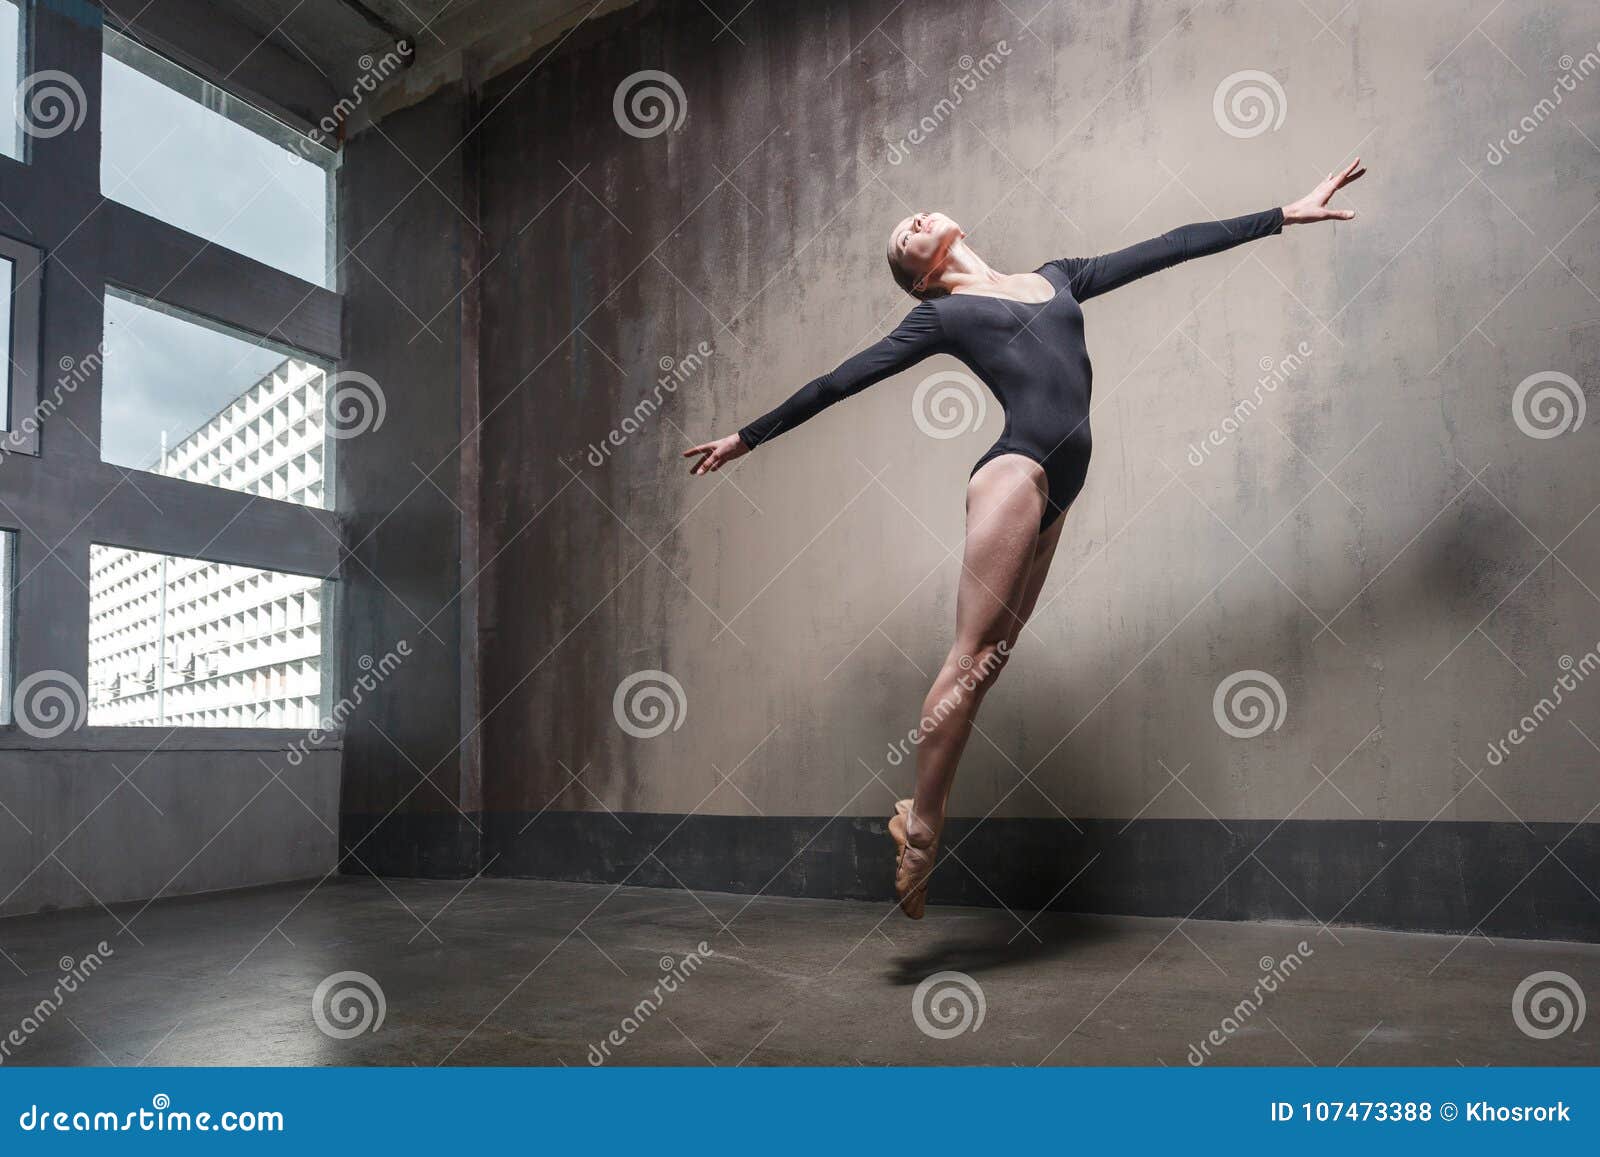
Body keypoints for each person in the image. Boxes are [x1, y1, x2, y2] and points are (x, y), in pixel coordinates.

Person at [686, 158, 1366, 918]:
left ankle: (920, 808)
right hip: (1017, 474)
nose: (907, 225)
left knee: (992, 663)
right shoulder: (939, 316)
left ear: (954, 228)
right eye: (896, 242)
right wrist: (748, 436)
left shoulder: (1059, 276)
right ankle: (923, 827)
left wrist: (1283, 212)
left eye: (912, 217)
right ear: (917, 280)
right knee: (970, 654)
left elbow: (1169, 245)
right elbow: (841, 380)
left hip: (1061, 490)